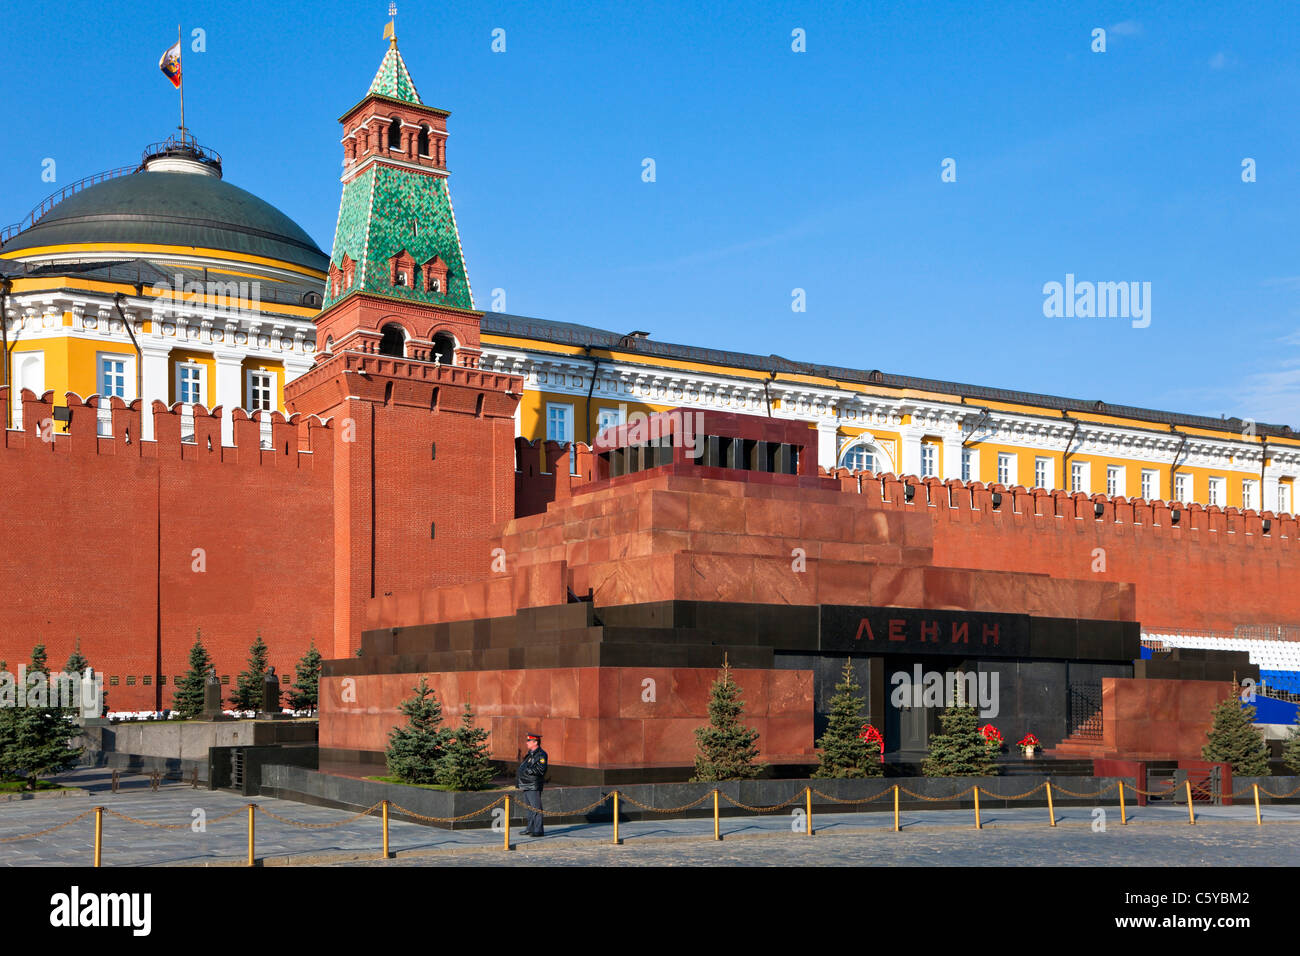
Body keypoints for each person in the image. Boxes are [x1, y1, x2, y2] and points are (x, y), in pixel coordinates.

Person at [516, 733, 549, 836]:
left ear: (535, 742)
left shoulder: (541, 754)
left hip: (533, 785)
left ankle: (538, 830)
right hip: (526, 784)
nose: (527, 743)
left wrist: (527, 771)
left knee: (536, 808)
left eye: (529, 741)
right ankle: (530, 828)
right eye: (527, 741)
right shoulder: (530, 753)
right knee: (529, 809)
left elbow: (541, 769)